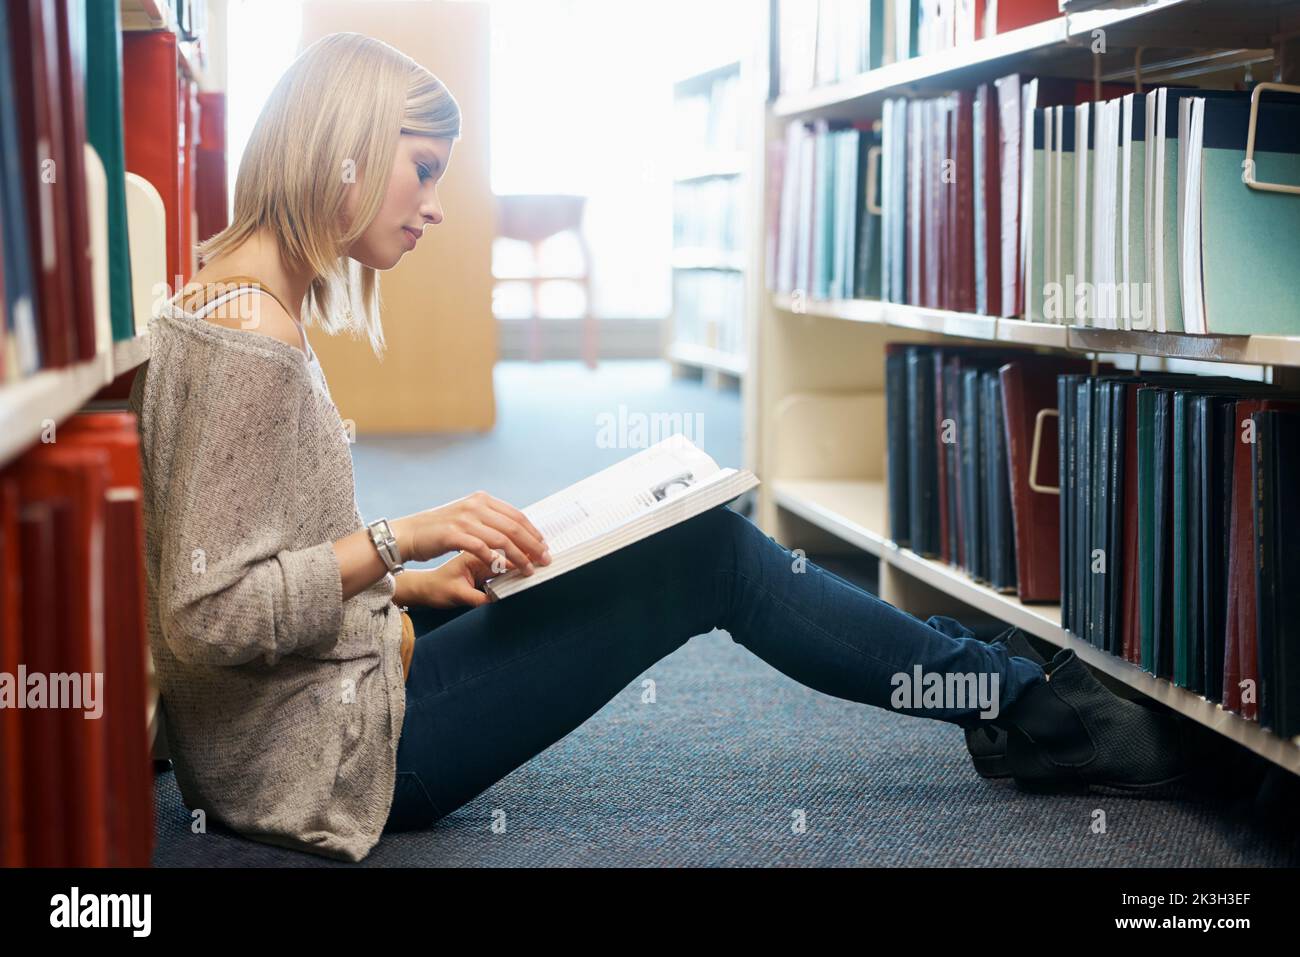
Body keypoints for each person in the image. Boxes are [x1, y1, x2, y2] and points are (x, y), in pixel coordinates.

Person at [129, 33, 1192, 864]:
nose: (435, 208)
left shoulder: (234, 301)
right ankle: (1026, 707)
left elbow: (253, 558)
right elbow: (204, 616)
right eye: (421, 172)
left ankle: (1008, 691)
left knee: (670, 542)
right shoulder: (249, 341)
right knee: (706, 558)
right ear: (344, 152)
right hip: (334, 762)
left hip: (342, 693)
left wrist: (410, 587)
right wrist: (397, 538)